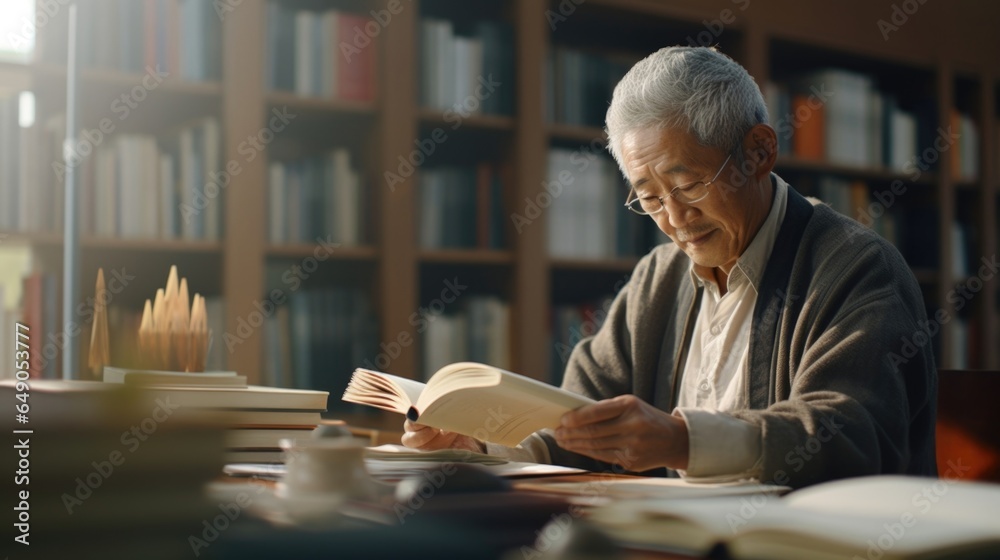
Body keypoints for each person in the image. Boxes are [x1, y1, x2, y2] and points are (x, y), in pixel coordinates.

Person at [402, 46, 938, 488]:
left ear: (759, 152)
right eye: (650, 199)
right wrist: (485, 447)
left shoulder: (856, 267)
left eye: (687, 187)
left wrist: (681, 440)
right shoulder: (658, 276)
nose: (676, 220)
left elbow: (854, 436)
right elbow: (582, 418)